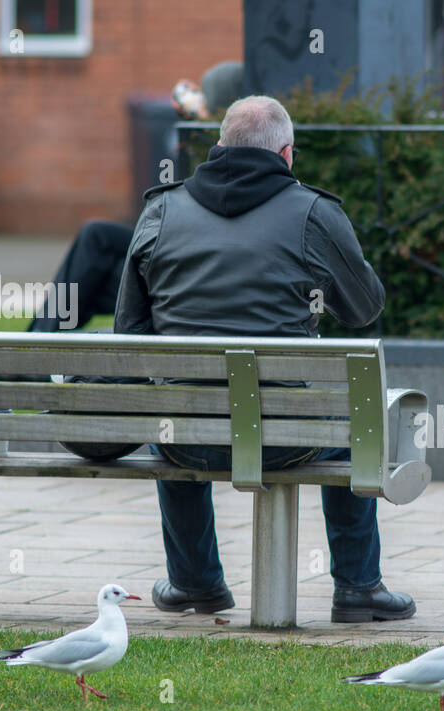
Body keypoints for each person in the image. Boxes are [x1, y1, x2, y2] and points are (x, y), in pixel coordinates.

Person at [113, 95, 416, 623]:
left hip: (186, 439)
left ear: (220, 146)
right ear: (287, 154)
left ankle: (195, 581)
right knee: (352, 417)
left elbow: (129, 331)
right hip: (289, 441)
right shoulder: (315, 213)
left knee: (173, 402)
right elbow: (364, 309)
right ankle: (358, 588)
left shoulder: (160, 210)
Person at [25, 61, 248, 335]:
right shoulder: (215, 137)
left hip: (193, 253)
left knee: (95, 270)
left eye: (208, 96)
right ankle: (36, 345)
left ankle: (35, 348)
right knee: (97, 238)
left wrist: (201, 131)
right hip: (186, 242)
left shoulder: (229, 144)